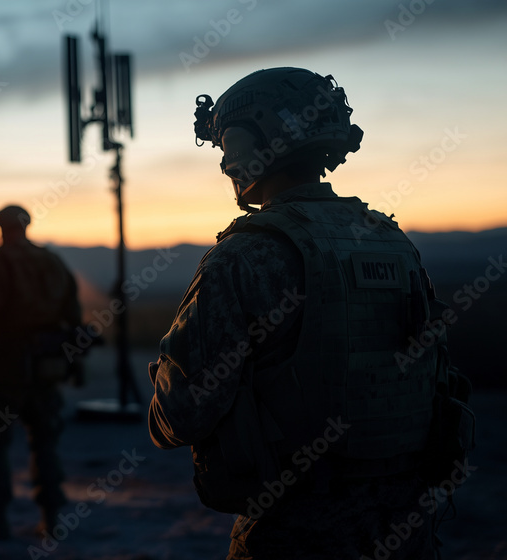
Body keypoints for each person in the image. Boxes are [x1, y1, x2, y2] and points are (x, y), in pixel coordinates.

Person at [148, 67, 472, 559]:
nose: (223, 164)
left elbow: (185, 411)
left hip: (297, 526)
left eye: (225, 146)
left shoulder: (246, 254)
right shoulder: (390, 239)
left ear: (248, 143)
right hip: (407, 520)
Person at [0, 204, 82, 540]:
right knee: (45, 442)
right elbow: (74, 314)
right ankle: (51, 518)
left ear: (0, 228)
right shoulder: (52, 261)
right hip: (46, 369)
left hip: (6, 370)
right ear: (26, 226)